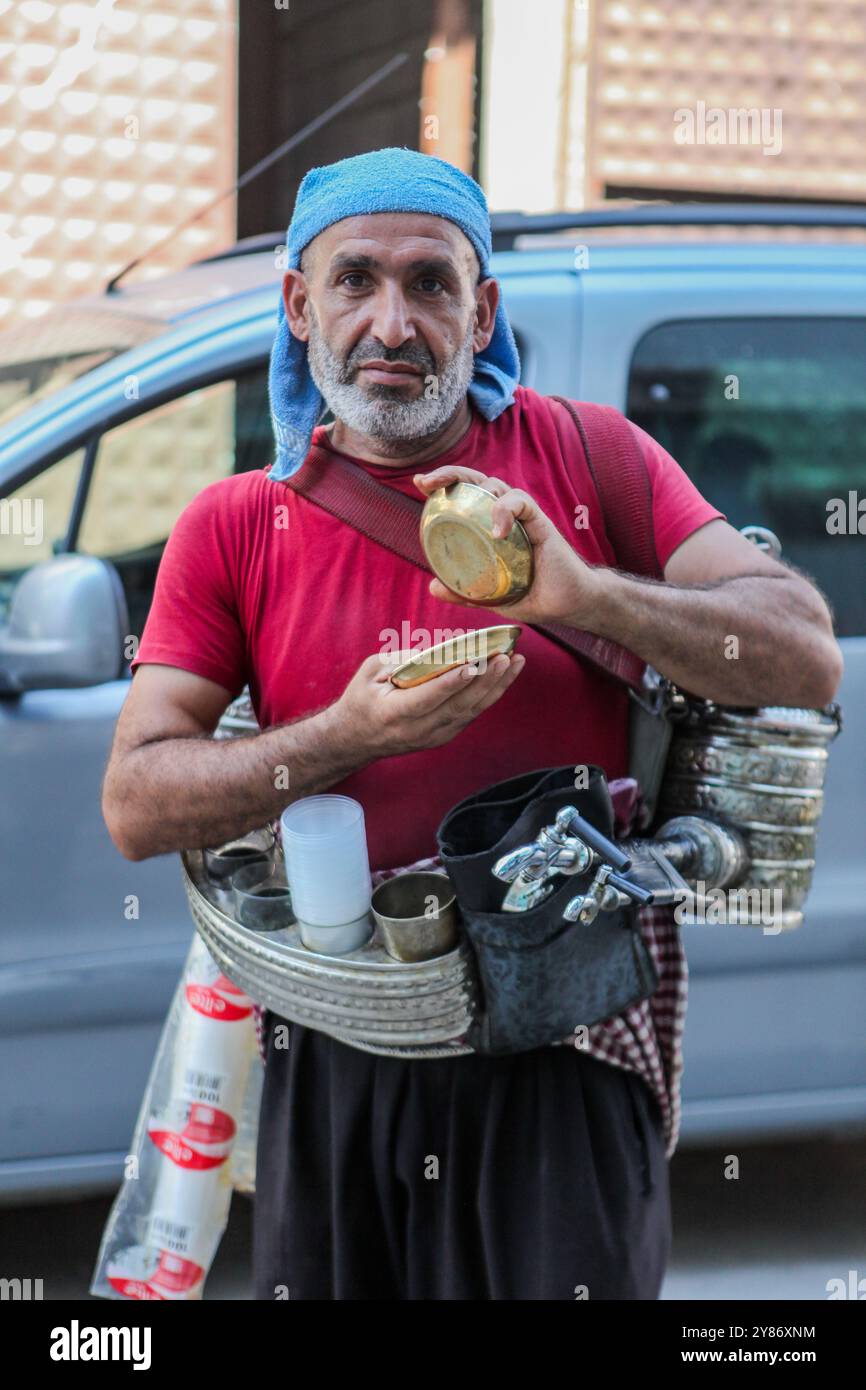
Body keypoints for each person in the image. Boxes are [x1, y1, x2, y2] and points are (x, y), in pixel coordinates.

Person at [102, 147, 843, 1301]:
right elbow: (136, 805)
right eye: (353, 280)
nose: (390, 323)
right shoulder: (236, 526)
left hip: (564, 1050)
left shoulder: (588, 457)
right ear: (298, 304)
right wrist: (345, 734)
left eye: (430, 284)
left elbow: (798, 650)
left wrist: (585, 595)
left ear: (480, 308)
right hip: (336, 1050)